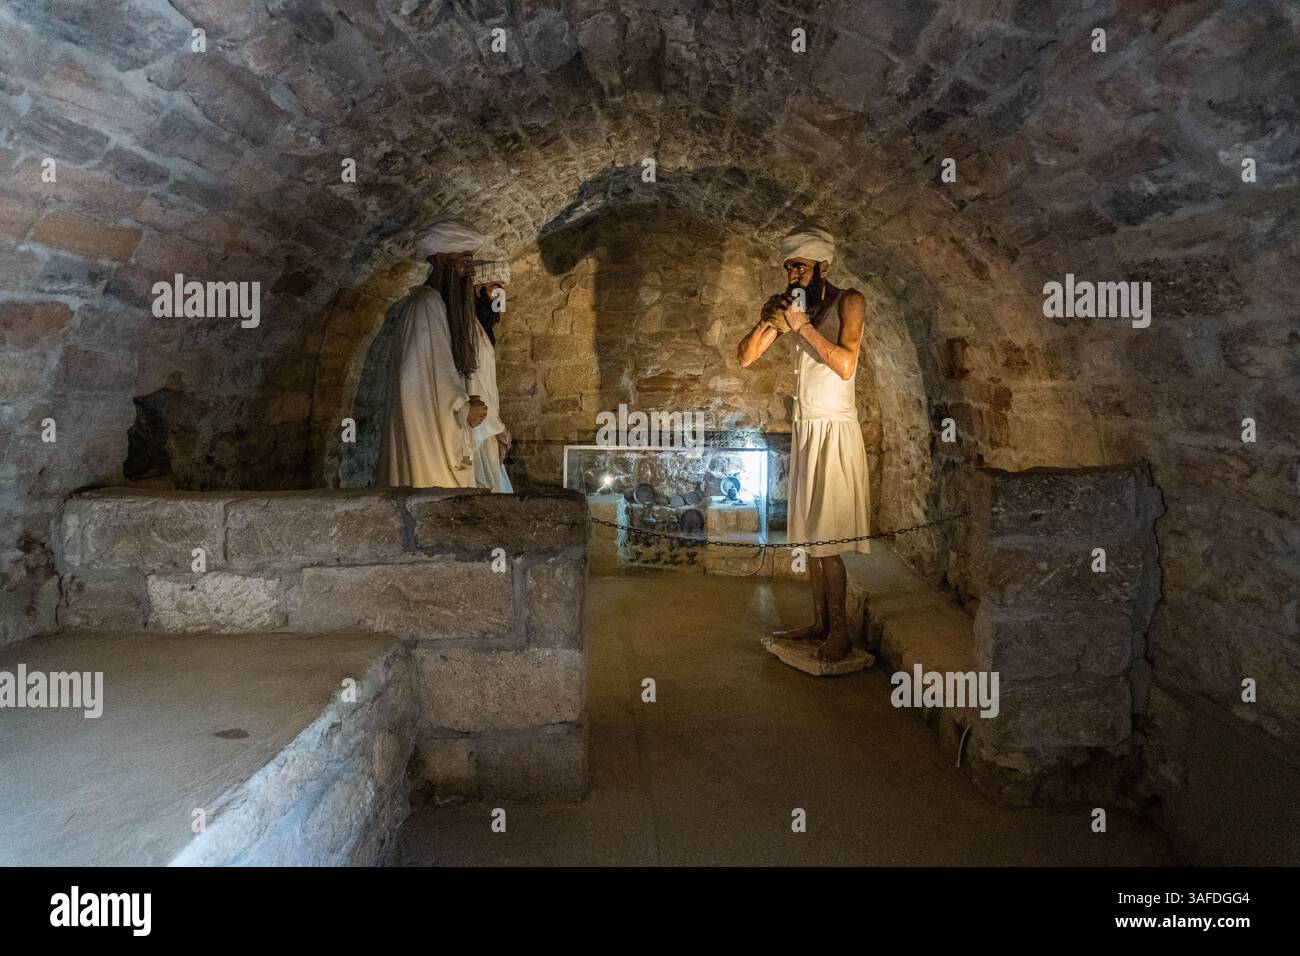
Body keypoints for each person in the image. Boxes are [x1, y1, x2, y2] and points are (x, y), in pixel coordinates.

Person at [737, 222, 871, 662]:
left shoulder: (849, 301)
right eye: (789, 267)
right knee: (814, 537)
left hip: (834, 431)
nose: (794, 275)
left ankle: (841, 633)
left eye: (802, 267)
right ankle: (820, 623)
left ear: (823, 266)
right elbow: (746, 356)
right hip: (807, 430)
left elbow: (846, 365)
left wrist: (802, 328)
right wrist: (771, 321)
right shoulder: (797, 305)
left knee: (829, 542)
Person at [376, 216, 489, 488]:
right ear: (441, 262)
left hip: (437, 433)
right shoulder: (425, 306)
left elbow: (437, 378)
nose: (468, 272)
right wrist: (463, 409)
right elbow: (417, 387)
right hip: (428, 442)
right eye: (463, 262)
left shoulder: (436, 305)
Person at [468, 258, 513, 492]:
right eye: (496, 290)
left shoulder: (481, 331)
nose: (500, 299)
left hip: (489, 427)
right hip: (480, 428)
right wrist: (498, 429)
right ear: (478, 290)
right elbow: (475, 385)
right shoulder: (472, 332)